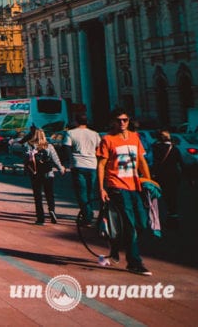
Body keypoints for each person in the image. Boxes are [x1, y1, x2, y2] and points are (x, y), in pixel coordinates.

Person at [97, 110, 153, 275]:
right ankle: (134, 262)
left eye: (125, 120)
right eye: (119, 120)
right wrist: (101, 188)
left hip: (135, 186)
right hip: (117, 186)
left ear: (129, 121)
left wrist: (148, 181)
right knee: (130, 225)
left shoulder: (135, 137)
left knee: (141, 223)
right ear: (113, 121)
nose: (122, 123)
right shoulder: (107, 139)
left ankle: (115, 246)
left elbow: (141, 161)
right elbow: (101, 165)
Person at [63, 113, 102, 226]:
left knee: (81, 192)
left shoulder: (70, 133)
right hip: (92, 165)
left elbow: (67, 148)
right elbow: (99, 149)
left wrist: (69, 162)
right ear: (87, 122)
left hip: (77, 164)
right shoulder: (95, 134)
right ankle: (89, 213)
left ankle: (87, 216)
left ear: (76, 121)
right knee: (90, 191)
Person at [25, 129, 64, 224]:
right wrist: (61, 168)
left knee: (38, 196)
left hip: (35, 173)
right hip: (48, 173)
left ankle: (40, 218)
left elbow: (27, 159)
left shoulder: (29, 146)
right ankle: (52, 210)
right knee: (49, 194)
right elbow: (55, 159)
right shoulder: (49, 146)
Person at [150, 130, 183, 220]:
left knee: (159, 196)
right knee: (172, 195)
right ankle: (172, 214)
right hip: (173, 175)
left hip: (160, 175)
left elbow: (151, 162)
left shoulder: (154, 148)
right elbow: (181, 163)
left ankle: (157, 216)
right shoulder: (174, 149)